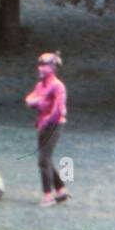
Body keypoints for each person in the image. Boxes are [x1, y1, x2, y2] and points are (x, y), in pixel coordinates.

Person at [25, 51, 69, 207]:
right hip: (43, 124)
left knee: (43, 160)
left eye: (44, 65)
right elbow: (29, 99)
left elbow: (58, 110)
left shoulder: (57, 86)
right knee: (47, 158)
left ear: (53, 67)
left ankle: (48, 195)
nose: (40, 68)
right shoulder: (40, 85)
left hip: (54, 125)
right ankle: (61, 190)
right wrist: (38, 102)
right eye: (40, 65)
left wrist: (46, 119)